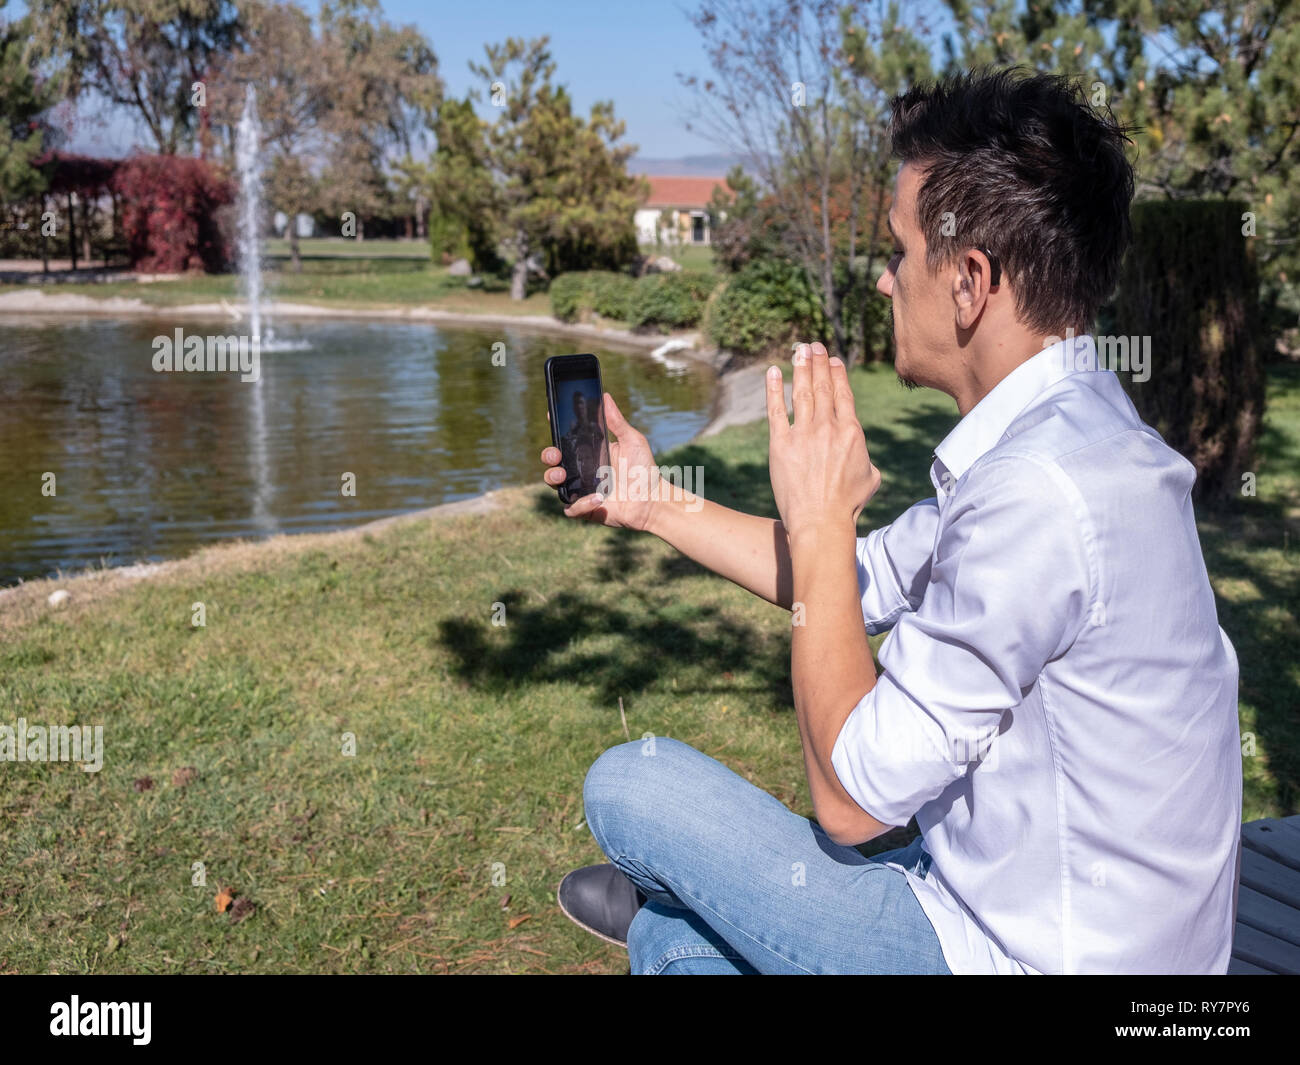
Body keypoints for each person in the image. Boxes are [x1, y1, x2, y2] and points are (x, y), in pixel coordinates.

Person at [538, 67, 1243, 975]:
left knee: (627, 785)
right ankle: (689, 921)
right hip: (1032, 904)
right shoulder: (1077, 436)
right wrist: (652, 501)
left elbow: (848, 798)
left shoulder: (1038, 493)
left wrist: (821, 520)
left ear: (969, 282)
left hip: (1024, 955)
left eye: (901, 251)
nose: (882, 278)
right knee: (678, 947)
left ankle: (692, 912)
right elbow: (859, 581)